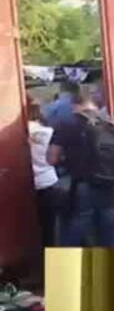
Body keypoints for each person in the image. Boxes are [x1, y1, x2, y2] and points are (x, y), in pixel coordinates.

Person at [46, 92, 114, 248]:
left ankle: (67, 264)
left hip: (83, 185)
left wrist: (66, 161)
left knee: (73, 230)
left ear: (74, 105)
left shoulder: (68, 123)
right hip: (112, 185)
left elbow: (52, 158)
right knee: (110, 232)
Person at [27, 102, 60, 247]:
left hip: (26, 183)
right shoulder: (49, 132)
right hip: (48, 181)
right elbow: (57, 157)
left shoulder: (18, 132)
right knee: (49, 226)